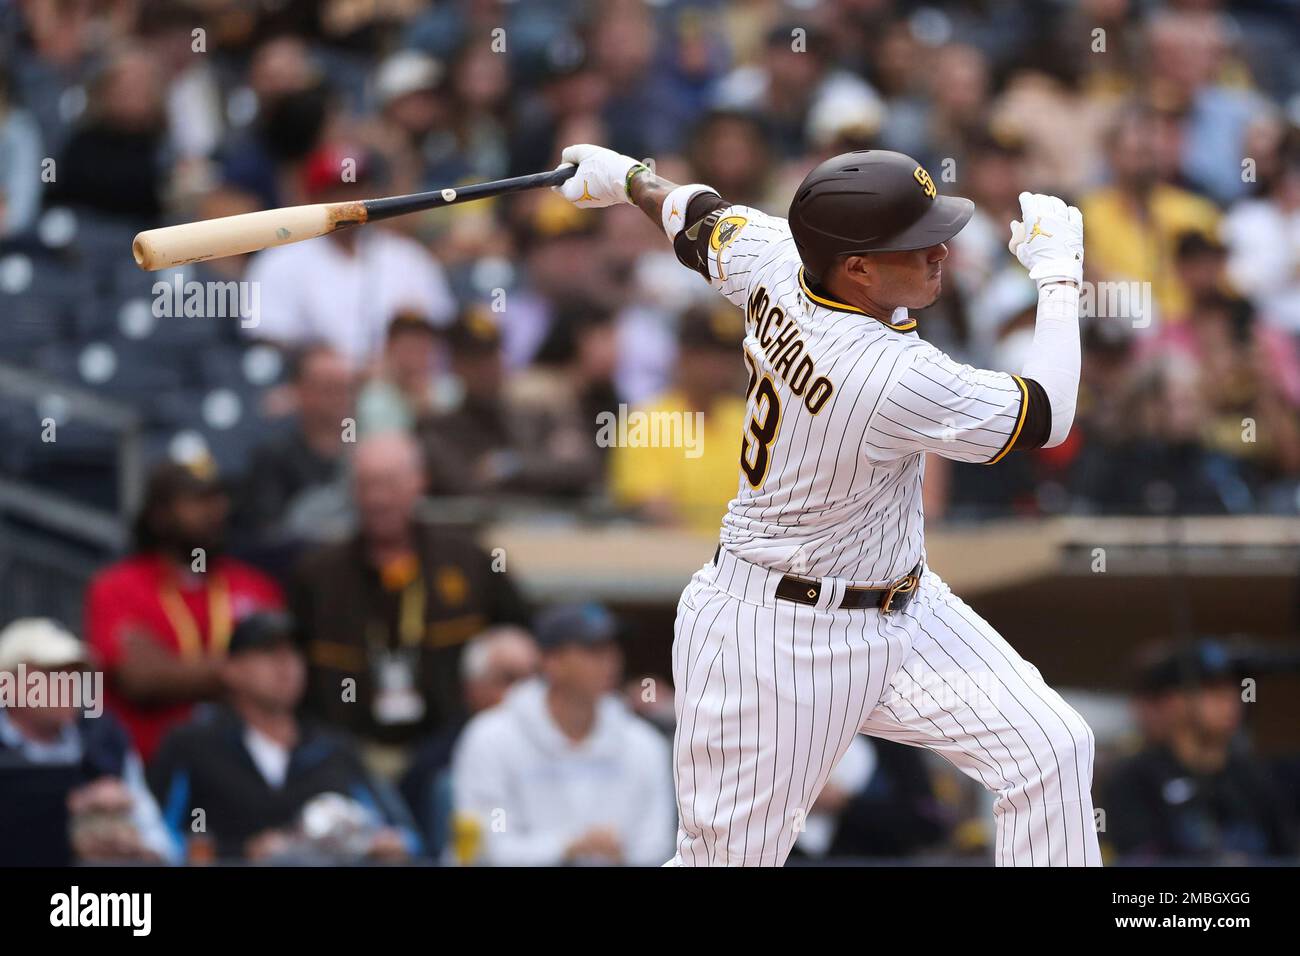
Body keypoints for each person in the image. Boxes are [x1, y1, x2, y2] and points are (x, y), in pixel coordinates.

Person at [554, 143, 1098, 866]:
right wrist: (1059, 279)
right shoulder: (883, 373)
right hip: (774, 635)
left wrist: (629, 179)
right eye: (914, 243)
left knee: (1051, 749)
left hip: (904, 610)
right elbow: (1049, 415)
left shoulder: (780, 254)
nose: (940, 250)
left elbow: (698, 221)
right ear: (858, 267)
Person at [291, 432, 529, 747]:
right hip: (347, 748)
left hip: (451, 745)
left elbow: (523, 636)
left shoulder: (469, 561)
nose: (377, 498)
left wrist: (503, 660)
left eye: (389, 483)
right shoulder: (317, 575)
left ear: (420, 482)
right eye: (366, 485)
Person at [148, 613, 419, 862]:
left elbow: (408, 837)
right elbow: (154, 838)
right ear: (231, 669)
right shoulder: (193, 746)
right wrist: (240, 851)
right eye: (268, 652)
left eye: (294, 653)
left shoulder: (335, 748)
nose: (286, 664)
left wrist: (384, 844)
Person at [85, 459, 283, 762]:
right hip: (149, 767)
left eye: (219, 497)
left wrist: (174, 669)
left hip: (242, 772)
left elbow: (280, 680)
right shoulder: (117, 586)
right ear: (159, 515)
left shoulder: (254, 585)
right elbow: (139, 680)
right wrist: (242, 670)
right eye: (198, 500)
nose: (215, 511)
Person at [450, 604, 676, 866]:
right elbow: (485, 849)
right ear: (551, 662)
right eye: (593, 649)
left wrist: (598, 850)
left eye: (613, 648)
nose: (610, 660)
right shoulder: (488, 738)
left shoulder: (645, 744)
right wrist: (570, 846)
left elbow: (656, 848)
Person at [243, 142, 455, 367]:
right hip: (320, 387)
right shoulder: (280, 260)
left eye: (356, 189)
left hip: (401, 386)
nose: (349, 202)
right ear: (313, 198)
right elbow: (266, 338)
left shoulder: (408, 256)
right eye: (337, 191)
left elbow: (441, 325)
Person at [0, 618, 177, 866]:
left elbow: (159, 843)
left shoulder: (106, 739)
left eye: (74, 675)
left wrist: (131, 851)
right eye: (51, 673)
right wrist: (73, 808)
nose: (68, 685)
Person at [1102, 639, 1296, 862]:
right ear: (1171, 701)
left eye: (1232, 689)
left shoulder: (1254, 775)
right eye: (1212, 690)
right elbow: (1137, 858)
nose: (1230, 700)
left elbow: (1287, 853)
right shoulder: (1134, 778)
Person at [609, 302, 749, 534]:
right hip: (671, 562)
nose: (721, 367)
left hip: (744, 558)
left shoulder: (748, 418)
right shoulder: (646, 420)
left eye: (728, 356)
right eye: (708, 355)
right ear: (683, 356)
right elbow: (652, 507)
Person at [400, 626, 539, 855]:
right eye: (509, 679)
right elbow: (497, 829)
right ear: (473, 687)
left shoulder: (560, 741)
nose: (524, 692)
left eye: (534, 678)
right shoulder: (435, 761)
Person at [237, 343, 356, 542]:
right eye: (328, 389)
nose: (340, 398)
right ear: (300, 391)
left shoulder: (366, 454)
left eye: (346, 388)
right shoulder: (272, 457)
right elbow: (270, 535)